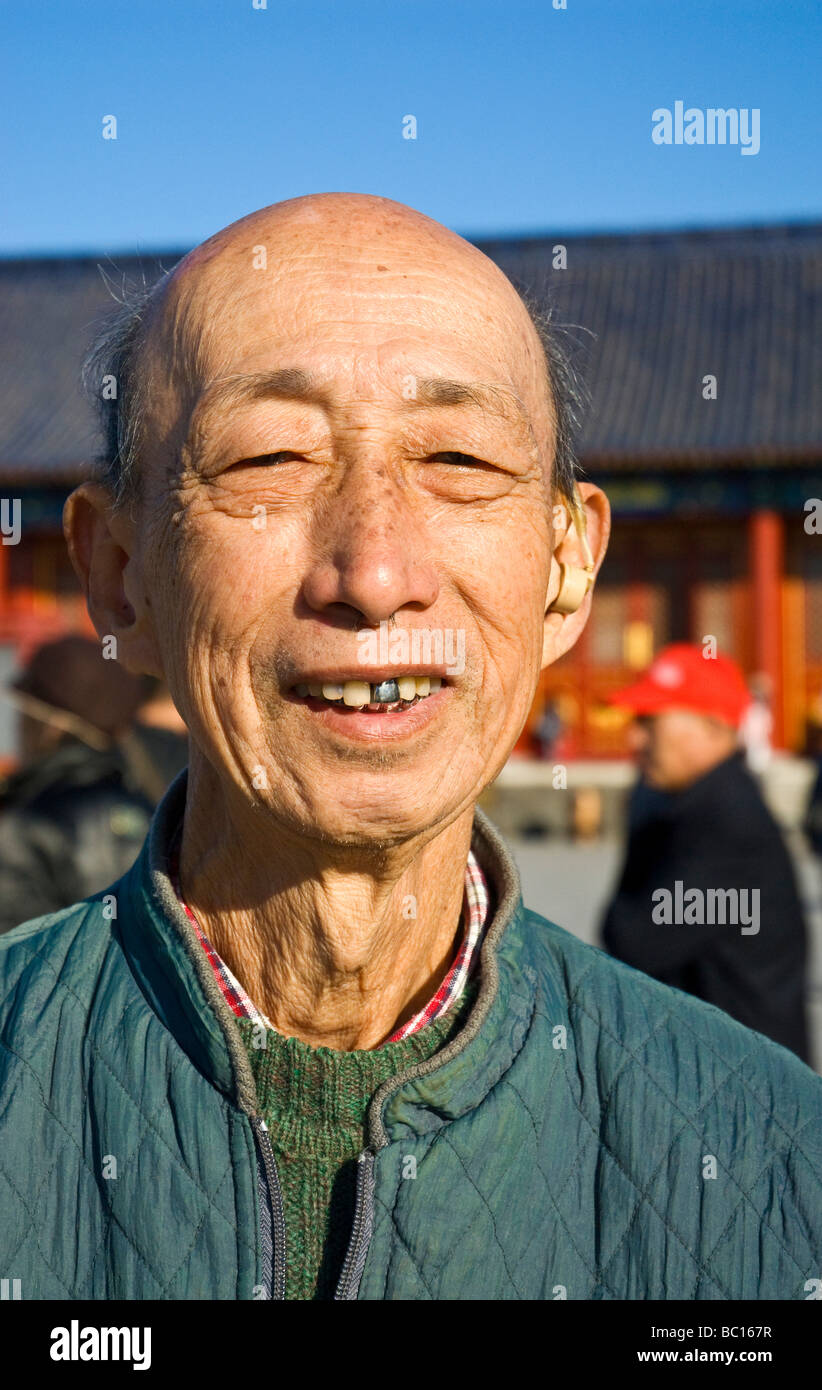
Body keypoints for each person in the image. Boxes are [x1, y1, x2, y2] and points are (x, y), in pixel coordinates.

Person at [0, 196, 820, 1302]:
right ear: (117, 573)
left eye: (460, 459)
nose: (376, 570)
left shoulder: (775, 1157)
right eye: (268, 456)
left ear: (568, 570)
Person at [602, 643, 811, 1064]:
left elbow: (633, 939)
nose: (635, 739)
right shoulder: (709, 804)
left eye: (650, 723)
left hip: (747, 1087)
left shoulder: (725, 823)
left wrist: (641, 813)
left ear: (712, 728)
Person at [0, 637, 187, 934]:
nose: (15, 728)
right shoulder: (162, 808)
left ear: (51, 725)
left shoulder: (23, 825)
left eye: (24, 715)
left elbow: (13, 966)